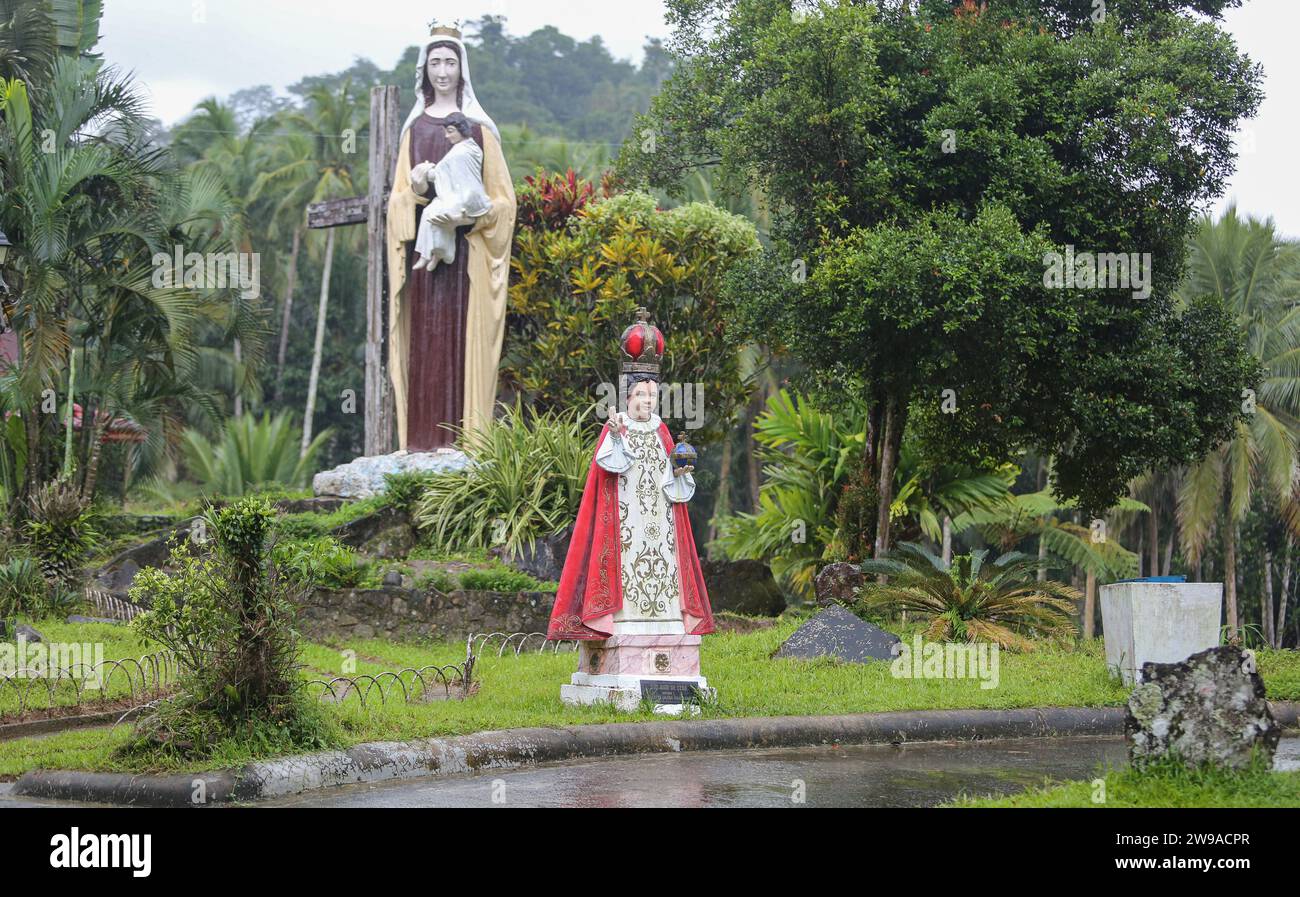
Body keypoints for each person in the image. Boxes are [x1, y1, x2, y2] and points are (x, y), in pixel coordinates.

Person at [411, 112, 492, 271]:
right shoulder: (461, 148)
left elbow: (448, 173)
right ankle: (427, 255)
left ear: (461, 129)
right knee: (429, 212)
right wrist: (428, 171)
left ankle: (439, 254)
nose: (447, 136)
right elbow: (446, 172)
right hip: (455, 194)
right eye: (446, 131)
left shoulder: (465, 151)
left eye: (450, 131)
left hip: (466, 197)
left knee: (438, 215)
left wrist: (427, 172)